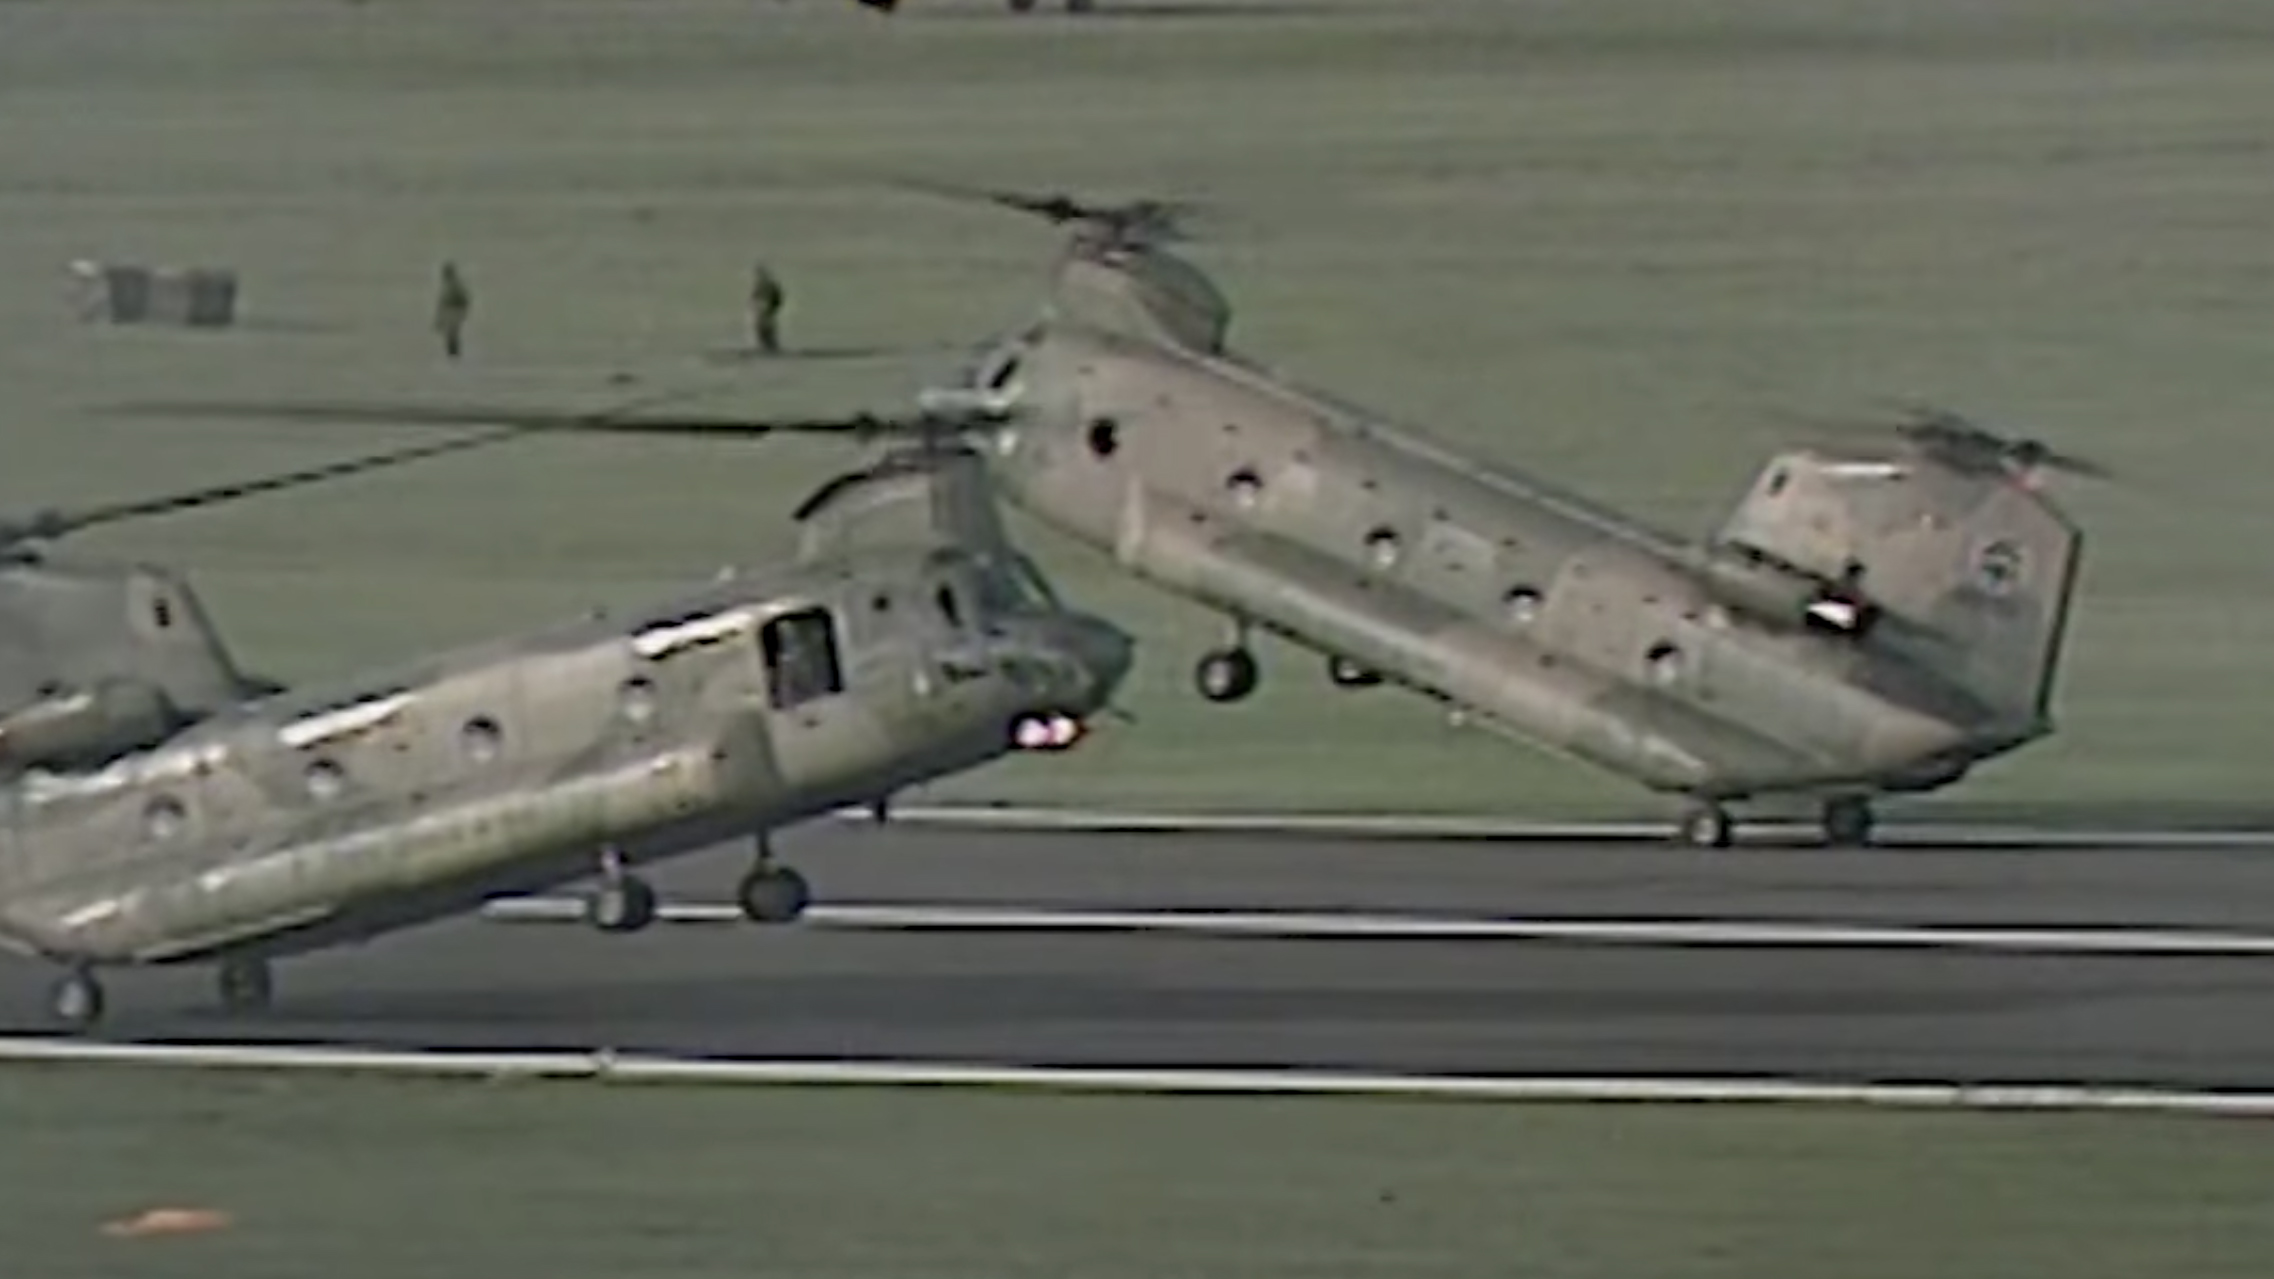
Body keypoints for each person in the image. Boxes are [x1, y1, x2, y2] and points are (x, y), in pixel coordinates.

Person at [433, 260, 471, 359]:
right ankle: (452, 352)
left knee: (452, 332)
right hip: (452, 311)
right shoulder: (450, 285)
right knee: (451, 333)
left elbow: (463, 299)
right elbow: (442, 303)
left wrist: (461, 311)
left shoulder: (454, 285)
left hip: (454, 311)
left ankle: (453, 353)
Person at [749, 263, 784, 356]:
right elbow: (753, 299)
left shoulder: (768, 285)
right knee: (762, 329)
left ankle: (769, 349)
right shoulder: (761, 286)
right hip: (764, 312)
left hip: (766, 312)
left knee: (765, 329)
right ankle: (767, 347)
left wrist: (769, 309)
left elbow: (776, 299)